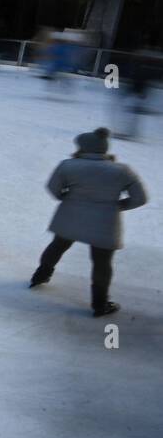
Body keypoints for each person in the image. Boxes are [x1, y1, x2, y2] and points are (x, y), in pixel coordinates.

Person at [29, 128, 148, 317]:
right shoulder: (122, 171)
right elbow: (140, 198)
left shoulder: (68, 165)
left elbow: (53, 188)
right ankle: (100, 304)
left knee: (57, 246)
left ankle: (40, 276)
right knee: (102, 262)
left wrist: (66, 197)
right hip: (104, 223)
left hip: (70, 216)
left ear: (83, 147)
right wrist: (117, 206)